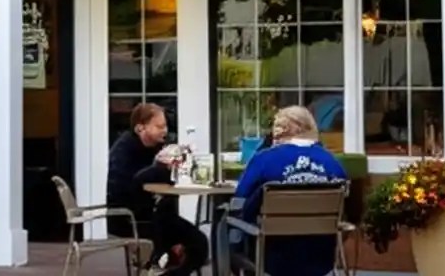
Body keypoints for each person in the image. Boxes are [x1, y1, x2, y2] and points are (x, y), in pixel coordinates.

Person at [225, 105, 347, 276]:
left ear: (282, 130)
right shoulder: (332, 162)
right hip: (321, 259)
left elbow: (239, 203)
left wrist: (233, 247)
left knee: (228, 222)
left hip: (271, 260)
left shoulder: (263, 160)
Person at [105, 103, 209, 275]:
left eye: (166, 126)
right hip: (128, 219)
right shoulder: (124, 149)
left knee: (198, 244)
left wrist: (176, 166)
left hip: (152, 215)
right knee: (195, 243)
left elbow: (163, 183)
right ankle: (161, 263)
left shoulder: (154, 147)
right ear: (140, 128)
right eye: (159, 126)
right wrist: (159, 166)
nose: (165, 131)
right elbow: (132, 185)